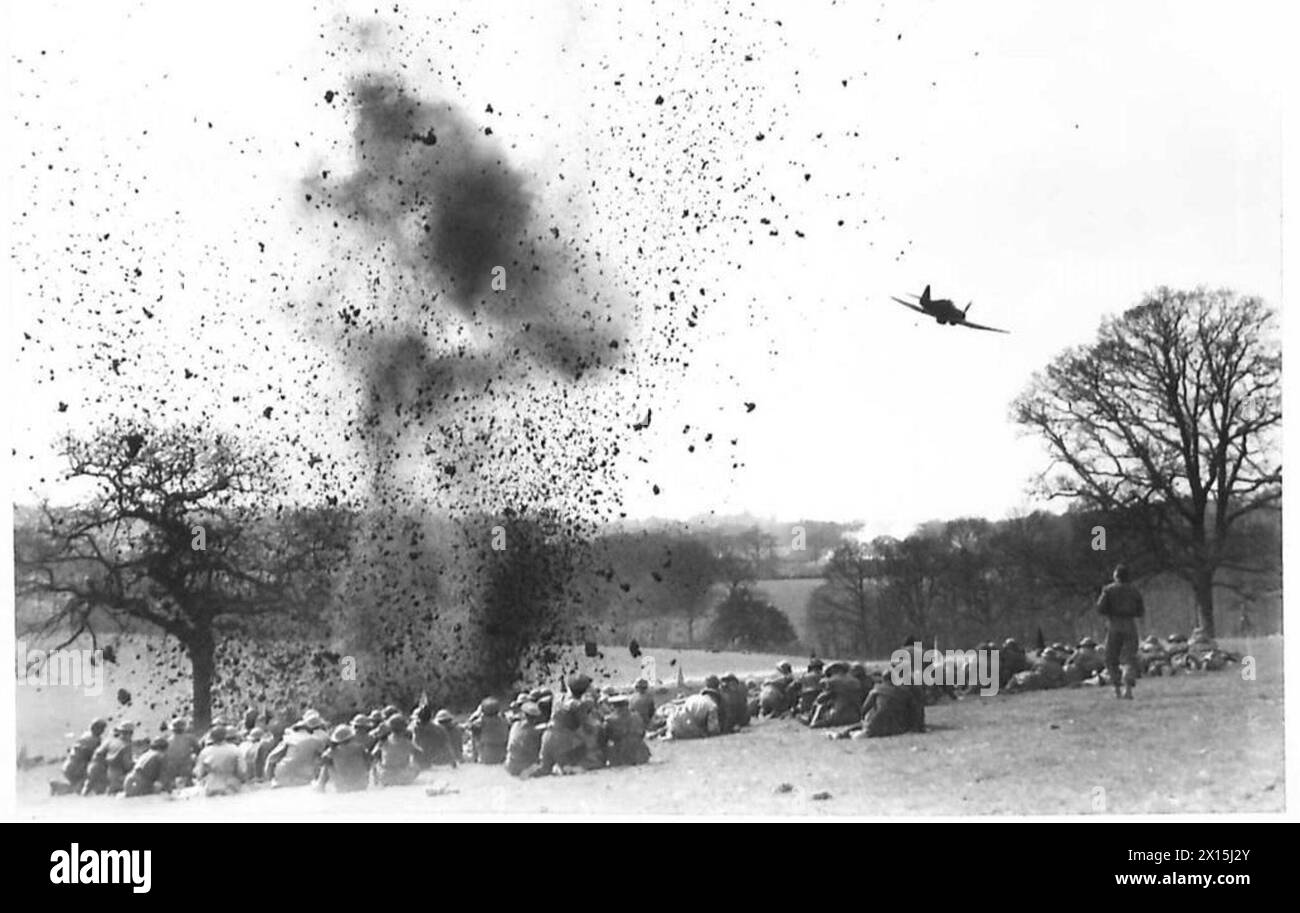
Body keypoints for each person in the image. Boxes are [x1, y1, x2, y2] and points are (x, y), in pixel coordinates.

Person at [1097, 563, 1144, 699]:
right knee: (1130, 657)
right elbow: (1140, 611)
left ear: (1116, 576)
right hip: (1130, 624)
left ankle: (1117, 689)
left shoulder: (1108, 590)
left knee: (1111, 658)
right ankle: (1128, 689)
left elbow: (1100, 608)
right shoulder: (1134, 590)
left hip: (1114, 625)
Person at [852, 669, 925, 739]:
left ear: (883, 679)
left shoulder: (876, 690)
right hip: (898, 726)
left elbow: (864, 709)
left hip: (876, 725)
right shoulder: (905, 692)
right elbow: (914, 710)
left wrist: (863, 719)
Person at [265, 711, 328, 787]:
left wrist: (270, 779)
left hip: (282, 775)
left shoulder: (290, 737)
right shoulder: (321, 739)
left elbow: (271, 758)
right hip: (305, 777)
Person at [84, 721, 135, 796]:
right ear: (130, 733)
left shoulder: (110, 740)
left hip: (95, 766)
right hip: (113, 771)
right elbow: (127, 765)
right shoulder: (126, 746)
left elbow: (99, 752)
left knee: (89, 790)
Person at [316, 724, 371, 793]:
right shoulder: (360, 748)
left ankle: (320, 787)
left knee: (328, 765)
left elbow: (321, 761)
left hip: (342, 788)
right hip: (361, 786)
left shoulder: (332, 752)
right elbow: (369, 762)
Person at [194, 726, 245, 797]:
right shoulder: (235, 750)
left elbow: (199, 773)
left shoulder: (205, 752)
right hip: (230, 786)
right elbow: (242, 771)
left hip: (211, 787)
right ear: (225, 736)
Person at [60, 718, 108, 794]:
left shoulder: (86, 735)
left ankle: (62, 787)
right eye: (102, 728)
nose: (103, 731)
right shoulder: (95, 739)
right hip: (75, 768)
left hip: (68, 766)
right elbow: (97, 756)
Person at [372, 713, 419, 787]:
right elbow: (420, 753)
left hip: (385, 776)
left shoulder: (383, 741)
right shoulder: (407, 743)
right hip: (402, 776)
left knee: (376, 764)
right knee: (416, 765)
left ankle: (377, 783)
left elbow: (373, 755)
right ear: (404, 727)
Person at [603, 694, 651, 767]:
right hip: (640, 751)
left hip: (621, 753)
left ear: (613, 706)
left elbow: (604, 738)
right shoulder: (637, 716)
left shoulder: (610, 720)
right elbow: (642, 733)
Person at [505, 703, 546, 777]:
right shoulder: (534, 733)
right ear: (536, 718)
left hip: (509, 764)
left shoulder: (515, 725)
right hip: (523, 769)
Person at [161, 718, 200, 790]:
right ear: (184, 728)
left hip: (171, 768)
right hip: (185, 767)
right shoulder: (190, 738)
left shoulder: (168, 740)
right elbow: (198, 751)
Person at [469, 698, 509, 765]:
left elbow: (474, 743)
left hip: (485, 757)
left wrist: (474, 759)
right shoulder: (505, 722)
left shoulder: (478, 724)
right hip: (502, 756)